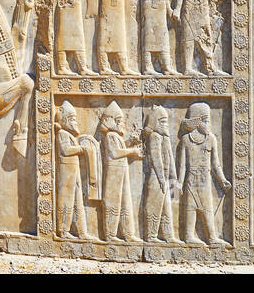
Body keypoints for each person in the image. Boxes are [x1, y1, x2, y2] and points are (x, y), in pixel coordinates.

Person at [176, 102, 231, 245]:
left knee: (207, 208)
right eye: (206, 120)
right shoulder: (185, 140)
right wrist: (179, 183)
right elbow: (182, 166)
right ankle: (189, 236)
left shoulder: (211, 139)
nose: (209, 124)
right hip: (191, 180)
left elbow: (215, 164)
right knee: (190, 207)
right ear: (197, 121)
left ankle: (211, 237)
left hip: (205, 180)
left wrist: (222, 180)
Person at [97, 101, 143, 242]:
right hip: (114, 171)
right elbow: (115, 153)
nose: (121, 124)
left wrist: (130, 142)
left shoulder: (115, 136)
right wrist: (133, 151)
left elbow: (120, 147)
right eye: (118, 121)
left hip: (121, 170)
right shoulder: (110, 136)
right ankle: (111, 235)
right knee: (113, 202)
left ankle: (128, 233)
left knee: (125, 202)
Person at [141, 106, 182, 243]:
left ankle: (168, 235)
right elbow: (155, 158)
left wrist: (174, 179)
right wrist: (161, 179)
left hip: (164, 179)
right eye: (162, 122)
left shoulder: (164, 138)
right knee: (154, 206)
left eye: (166, 122)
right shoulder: (154, 137)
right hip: (155, 177)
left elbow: (170, 159)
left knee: (166, 208)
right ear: (155, 122)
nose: (166, 125)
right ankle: (151, 236)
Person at [55, 101, 94, 239]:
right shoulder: (62, 133)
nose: (74, 121)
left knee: (78, 201)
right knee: (67, 198)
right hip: (66, 169)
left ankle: (81, 232)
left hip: (74, 169)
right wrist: (81, 149)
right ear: (64, 119)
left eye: (74, 118)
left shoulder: (69, 134)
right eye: (71, 118)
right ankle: (63, 230)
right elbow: (65, 150)